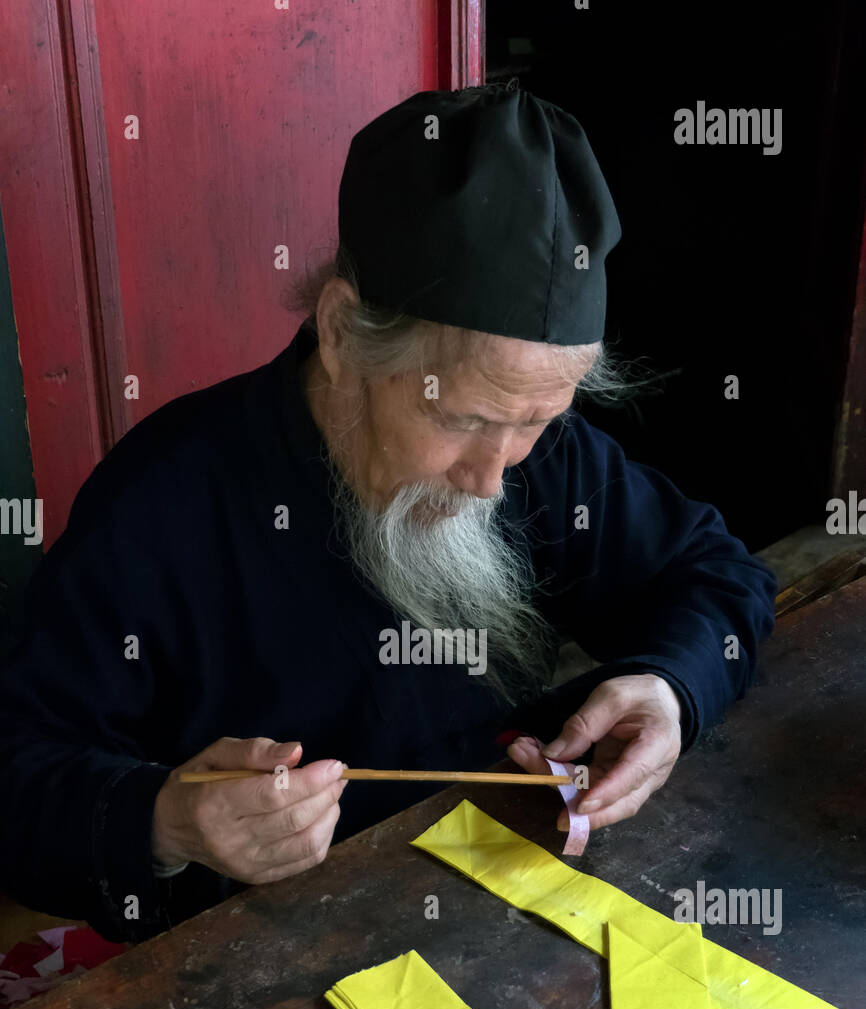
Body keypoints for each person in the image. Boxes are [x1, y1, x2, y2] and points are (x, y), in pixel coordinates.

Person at [0, 85, 776, 942]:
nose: (492, 479)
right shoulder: (161, 505)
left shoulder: (535, 455)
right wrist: (165, 822)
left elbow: (718, 573)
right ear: (341, 335)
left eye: (536, 422)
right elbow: (18, 772)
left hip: (492, 912)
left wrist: (673, 688)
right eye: (462, 419)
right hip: (243, 970)